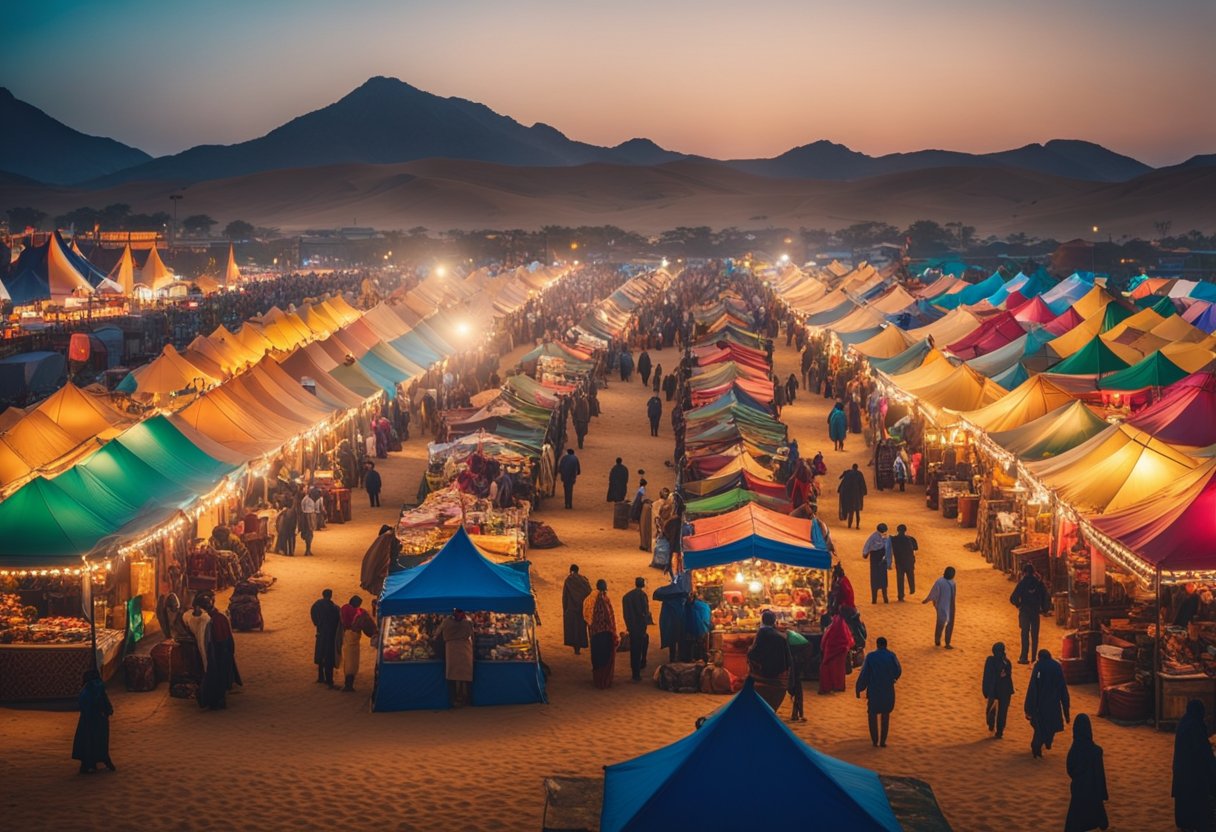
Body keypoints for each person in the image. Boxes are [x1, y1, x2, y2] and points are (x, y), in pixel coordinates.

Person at [1173, 699, 1216, 831]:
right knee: (1196, 798)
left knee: (1184, 798)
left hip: (1182, 769)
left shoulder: (1185, 723)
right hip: (1193, 772)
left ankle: (1185, 823)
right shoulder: (1195, 727)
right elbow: (1202, 751)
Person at [1065, 714, 1109, 832]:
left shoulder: (1074, 750)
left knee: (1075, 818)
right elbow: (1100, 775)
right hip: (1092, 789)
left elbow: (1070, 768)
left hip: (1078, 788)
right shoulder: (1096, 751)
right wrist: (1102, 794)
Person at [856, 636, 901, 747]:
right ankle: (883, 741)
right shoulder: (891, 656)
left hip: (874, 690)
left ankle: (875, 740)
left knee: (872, 714)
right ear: (886, 645)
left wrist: (859, 688)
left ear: (877, 645)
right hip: (887, 689)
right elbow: (898, 670)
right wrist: (893, 678)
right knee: (885, 715)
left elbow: (864, 674)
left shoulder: (871, 657)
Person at [1025, 649, 1070, 758]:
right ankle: (1046, 743)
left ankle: (1036, 747)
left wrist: (1029, 708)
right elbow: (1063, 688)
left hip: (1040, 704)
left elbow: (1033, 688)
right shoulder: (1057, 666)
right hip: (1054, 703)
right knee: (1051, 726)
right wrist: (1066, 711)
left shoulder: (1039, 666)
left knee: (1040, 727)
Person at [199, 594, 240, 710]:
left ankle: (216, 700)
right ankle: (217, 700)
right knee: (219, 675)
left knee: (216, 675)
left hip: (218, 650)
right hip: (220, 649)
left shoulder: (213, 619)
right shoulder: (217, 618)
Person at [747, 610, 792, 711]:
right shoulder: (782, 637)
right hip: (778, 678)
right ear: (774, 621)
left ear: (762, 620)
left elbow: (753, 654)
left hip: (762, 675)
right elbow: (787, 659)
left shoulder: (761, 634)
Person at [72, 670, 114, 774]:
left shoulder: (85, 690)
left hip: (86, 720)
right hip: (100, 719)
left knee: (87, 741)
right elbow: (104, 701)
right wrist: (108, 711)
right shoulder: (99, 687)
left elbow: (82, 704)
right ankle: (104, 760)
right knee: (100, 741)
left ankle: (87, 764)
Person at [1010, 563, 1051, 664]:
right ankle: (1034, 658)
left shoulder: (1022, 583)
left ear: (1024, 572)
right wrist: (1044, 609)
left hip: (1024, 611)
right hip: (1035, 612)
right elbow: (1046, 597)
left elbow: (1013, 598)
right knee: (1035, 635)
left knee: (1024, 634)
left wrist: (1018, 605)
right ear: (1034, 572)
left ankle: (1024, 657)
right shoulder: (1039, 583)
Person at [433, 609, 475, 706]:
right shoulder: (468, 622)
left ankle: (454, 698)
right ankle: (467, 698)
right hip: (465, 649)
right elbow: (473, 636)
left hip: (451, 649)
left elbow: (436, 634)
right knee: (466, 675)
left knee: (453, 674)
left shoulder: (446, 622)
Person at [339, 595, 379, 693]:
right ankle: (349, 685)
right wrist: (375, 633)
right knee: (352, 661)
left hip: (346, 636)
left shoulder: (344, 608)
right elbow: (369, 627)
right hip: (354, 637)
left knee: (348, 660)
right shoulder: (360, 612)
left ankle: (347, 683)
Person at [584, 579, 618, 688]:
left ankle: (597, 680)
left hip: (593, 632)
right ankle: (603, 681)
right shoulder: (603, 599)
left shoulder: (589, 598)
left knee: (596, 657)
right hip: (604, 633)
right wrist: (613, 630)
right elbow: (608, 617)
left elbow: (585, 614)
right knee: (605, 657)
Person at [622, 577, 653, 682]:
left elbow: (626, 614)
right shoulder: (642, 596)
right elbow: (645, 612)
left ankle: (635, 673)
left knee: (634, 650)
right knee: (639, 648)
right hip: (640, 627)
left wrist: (629, 626)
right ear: (643, 585)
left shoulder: (627, 596)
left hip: (632, 627)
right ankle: (638, 670)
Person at [982, 642, 1014, 738]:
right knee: (1002, 711)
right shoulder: (1006, 662)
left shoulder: (991, 660)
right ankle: (999, 731)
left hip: (995, 688)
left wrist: (985, 689)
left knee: (992, 709)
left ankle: (992, 725)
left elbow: (986, 676)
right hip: (1005, 690)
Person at [310, 589, 341, 688]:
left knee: (320, 654)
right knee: (329, 657)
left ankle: (320, 677)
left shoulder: (317, 605)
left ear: (322, 595)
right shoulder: (335, 608)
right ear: (331, 596)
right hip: (331, 635)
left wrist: (317, 623)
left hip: (320, 633)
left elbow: (312, 613)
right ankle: (329, 680)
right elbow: (338, 621)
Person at [819, 612, 854, 695]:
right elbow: (848, 637)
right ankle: (838, 686)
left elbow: (826, 638)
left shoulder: (834, 624)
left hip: (833, 650)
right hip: (842, 650)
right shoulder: (840, 622)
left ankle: (828, 687)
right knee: (839, 669)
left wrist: (823, 647)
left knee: (827, 668)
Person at [923, 566, 957, 648]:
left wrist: (928, 599)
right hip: (949, 606)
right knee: (947, 624)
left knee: (940, 624)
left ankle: (938, 641)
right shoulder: (951, 583)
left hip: (943, 606)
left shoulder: (940, 581)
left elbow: (934, 593)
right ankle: (945, 642)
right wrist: (928, 599)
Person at [562, 564, 591, 655]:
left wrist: (565, 609)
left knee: (574, 629)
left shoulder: (568, 580)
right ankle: (579, 646)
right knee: (581, 628)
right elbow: (589, 593)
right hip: (582, 608)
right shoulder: (584, 580)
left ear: (571, 571)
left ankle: (576, 648)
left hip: (572, 608)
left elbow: (565, 597)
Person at [861, 523, 892, 605]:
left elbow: (888, 549)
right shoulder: (873, 536)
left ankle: (885, 597)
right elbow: (867, 545)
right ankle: (874, 599)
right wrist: (865, 553)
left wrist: (888, 561)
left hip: (883, 559)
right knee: (874, 578)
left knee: (883, 579)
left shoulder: (886, 537)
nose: (884, 533)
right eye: (883, 532)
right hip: (874, 558)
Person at [890, 524, 917, 600]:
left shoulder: (894, 539)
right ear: (905, 530)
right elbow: (915, 549)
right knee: (910, 576)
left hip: (899, 562)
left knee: (900, 579)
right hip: (909, 561)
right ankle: (912, 589)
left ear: (897, 530)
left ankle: (900, 596)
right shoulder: (910, 539)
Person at [837, 463, 867, 529]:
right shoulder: (859, 474)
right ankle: (857, 525)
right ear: (857, 468)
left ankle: (849, 525)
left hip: (850, 496)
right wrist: (864, 492)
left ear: (852, 467)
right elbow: (863, 484)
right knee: (857, 512)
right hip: (858, 496)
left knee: (851, 511)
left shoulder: (848, 473)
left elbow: (842, 480)